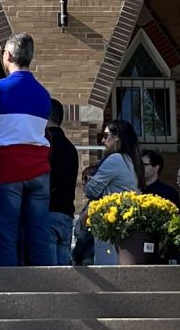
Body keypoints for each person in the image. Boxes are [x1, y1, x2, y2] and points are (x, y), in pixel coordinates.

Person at [0, 33, 54, 267]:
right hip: (39, 170)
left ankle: (8, 291)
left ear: (8, 56)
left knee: (5, 236)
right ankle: (45, 289)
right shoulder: (44, 94)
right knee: (38, 236)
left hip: (7, 169)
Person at [80, 117, 143, 266]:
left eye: (106, 136)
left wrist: (91, 180)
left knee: (107, 268)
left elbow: (91, 191)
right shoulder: (132, 161)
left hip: (109, 223)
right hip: (126, 223)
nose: (103, 140)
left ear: (117, 138)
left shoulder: (115, 159)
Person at [45, 103, 81, 267]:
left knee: (50, 270)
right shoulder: (71, 147)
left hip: (47, 211)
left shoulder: (45, 144)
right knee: (64, 269)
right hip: (66, 213)